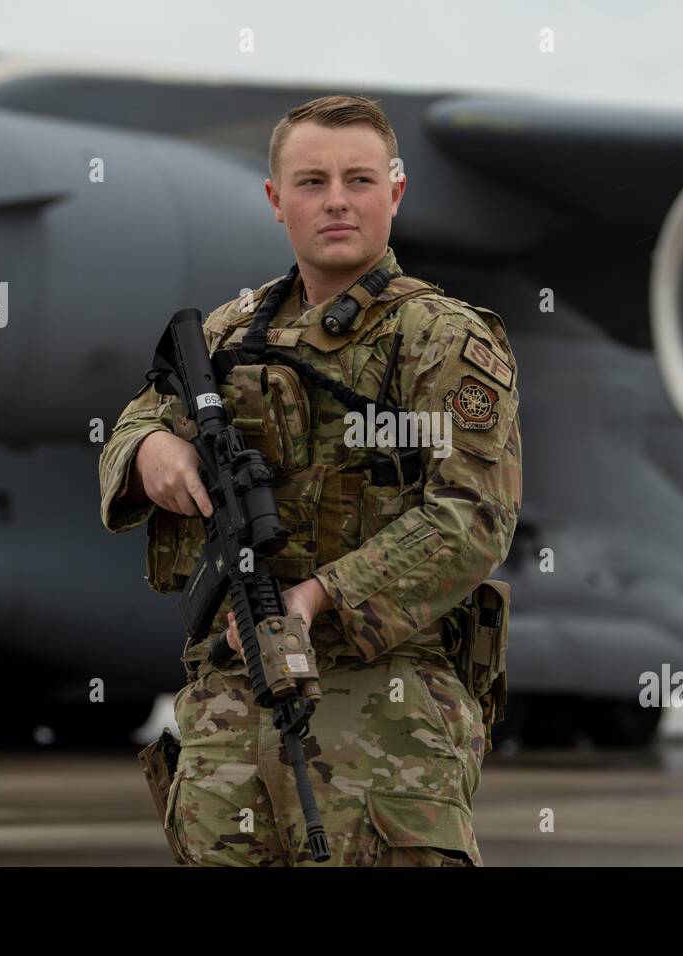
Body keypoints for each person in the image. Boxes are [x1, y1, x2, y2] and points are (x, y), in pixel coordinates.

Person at [98, 94, 521, 866]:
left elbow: (472, 519)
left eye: (359, 180)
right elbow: (132, 426)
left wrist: (318, 596)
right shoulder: (228, 335)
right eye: (311, 181)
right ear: (275, 200)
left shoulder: (442, 340)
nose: (335, 201)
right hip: (232, 702)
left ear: (395, 192)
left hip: (385, 707)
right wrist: (151, 452)